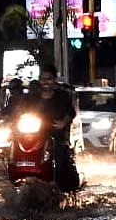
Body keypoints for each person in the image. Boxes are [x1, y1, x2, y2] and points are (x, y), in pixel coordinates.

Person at [33, 64, 81, 193]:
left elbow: (71, 112)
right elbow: (21, 110)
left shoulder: (62, 96)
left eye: (48, 79)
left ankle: (59, 185)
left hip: (56, 134)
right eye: (42, 79)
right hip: (35, 134)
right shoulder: (33, 97)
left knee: (60, 153)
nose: (45, 82)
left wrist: (63, 122)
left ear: (54, 80)